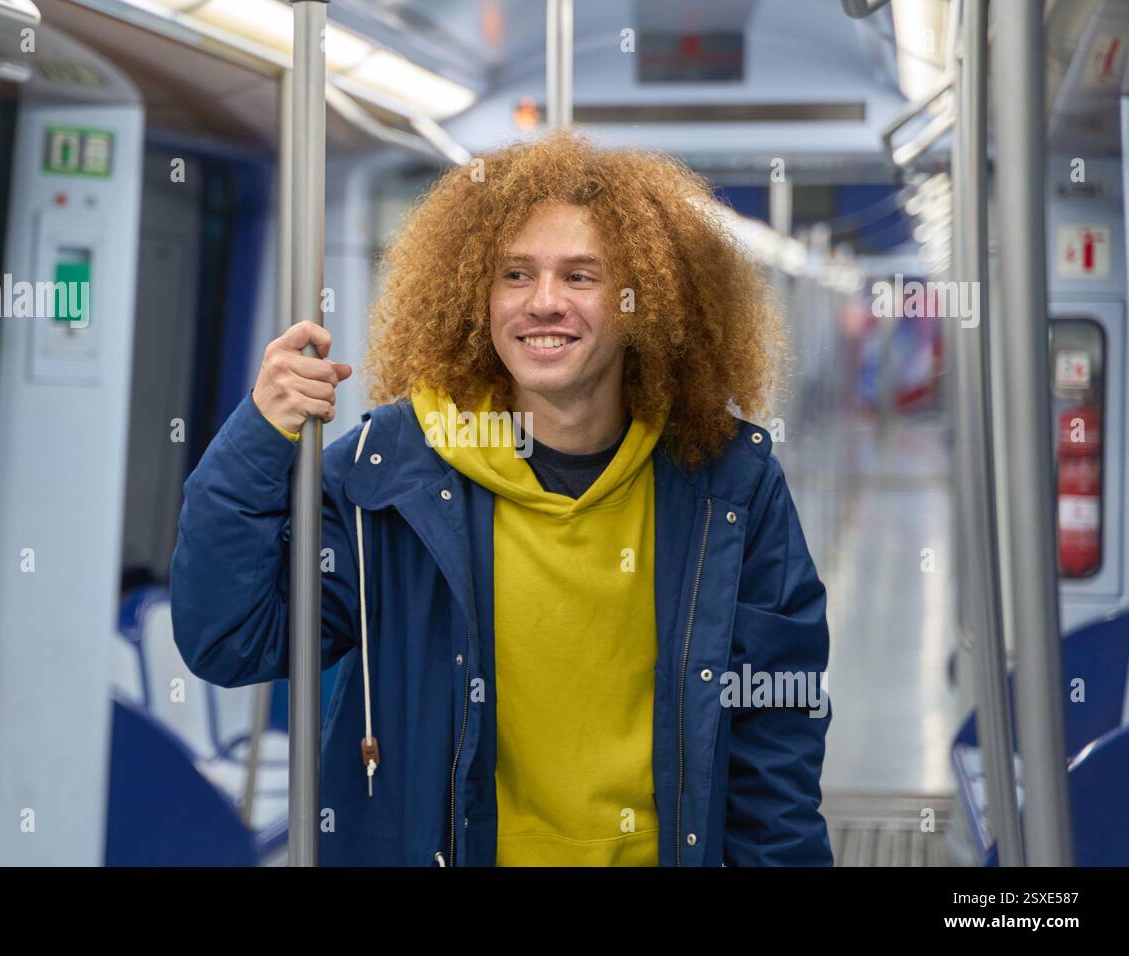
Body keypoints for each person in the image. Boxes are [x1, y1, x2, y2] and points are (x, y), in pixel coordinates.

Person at [170, 130, 832, 866]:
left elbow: (774, 730)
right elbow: (229, 637)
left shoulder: (727, 486)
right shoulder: (389, 476)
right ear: (476, 296)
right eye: (515, 274)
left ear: (645, 302)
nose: (544, 303)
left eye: (582, 277)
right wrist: (258, 440)